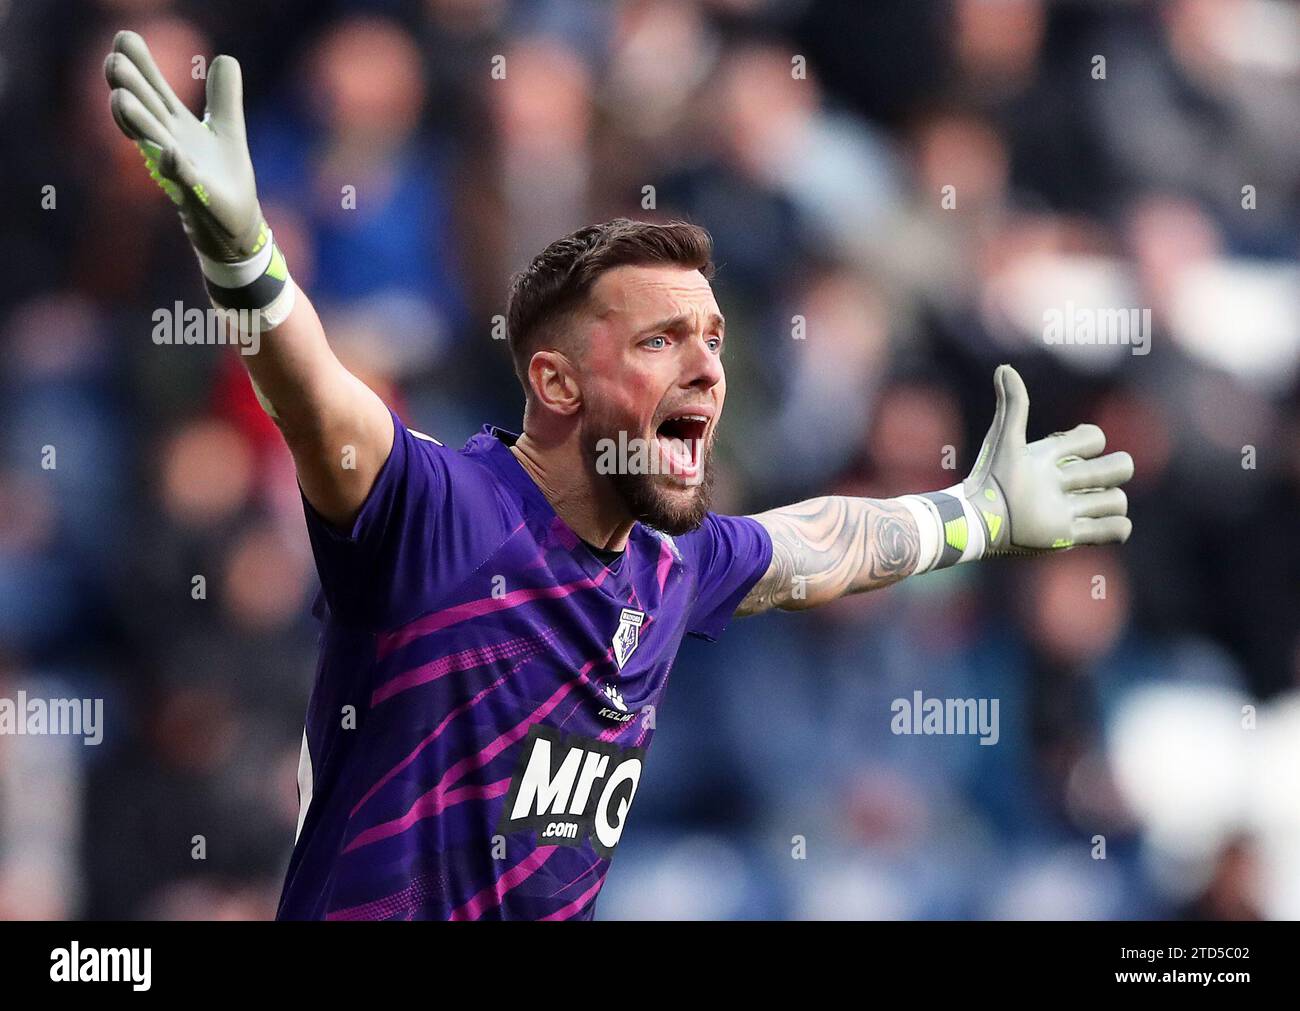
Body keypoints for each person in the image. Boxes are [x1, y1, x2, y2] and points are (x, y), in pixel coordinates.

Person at [104, 30, 1134, 920]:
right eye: (660, 340)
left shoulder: (671, 562)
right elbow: (319, 401)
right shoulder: (441, 513)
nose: (707, 368)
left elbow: (819, 548)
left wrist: (977, 515)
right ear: (553, 380)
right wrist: (243, 257)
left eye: (716, 340)